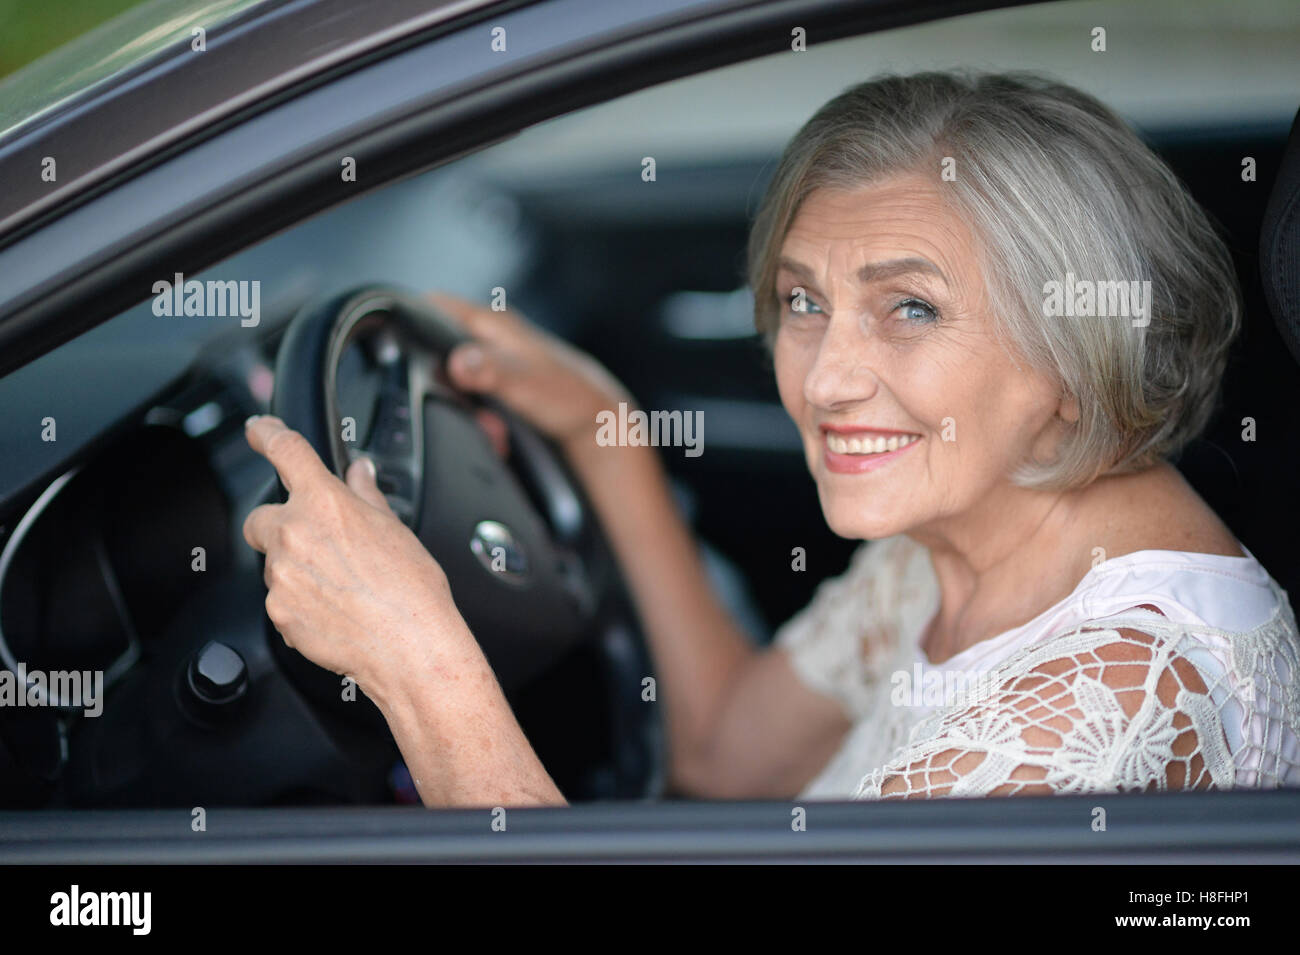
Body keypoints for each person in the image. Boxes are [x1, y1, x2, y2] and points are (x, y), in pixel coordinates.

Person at [242, 71, 1300, 806]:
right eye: (802, 300)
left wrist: (422, 665)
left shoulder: (1112, 695)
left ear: (1073, 356)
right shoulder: (970, 532)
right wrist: (602, 431)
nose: (826, 378)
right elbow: (726, 754)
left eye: (911, 309)